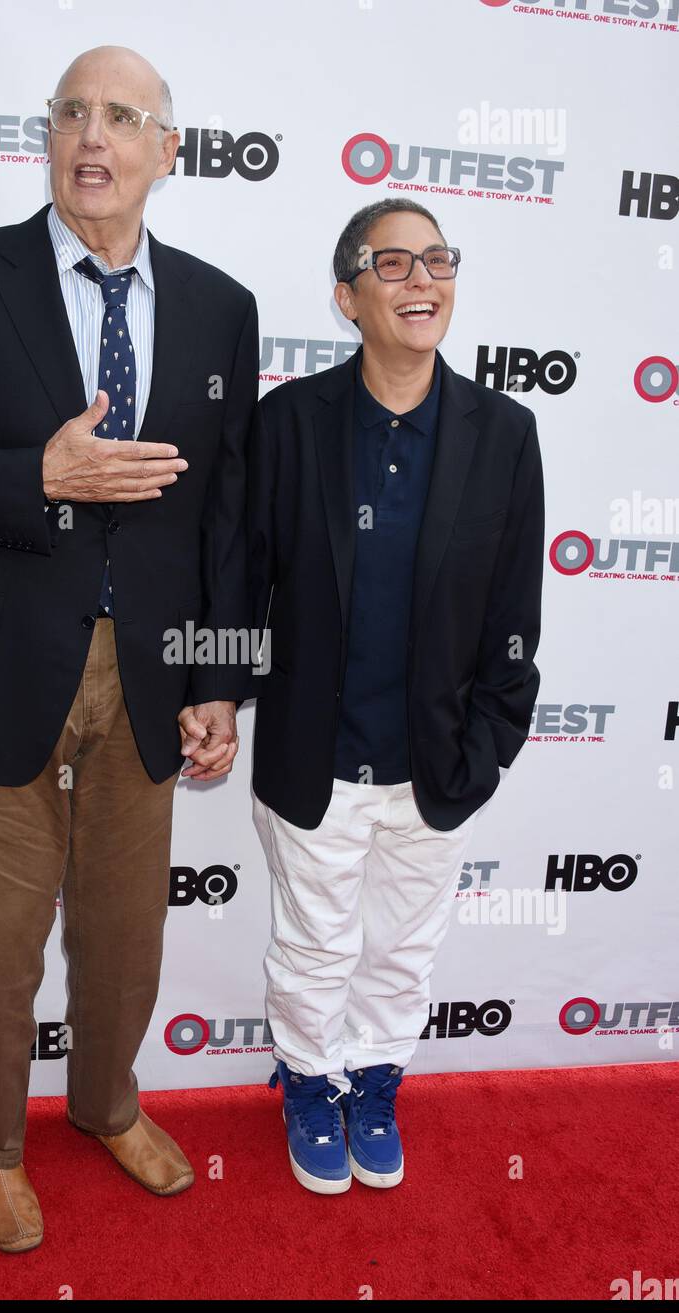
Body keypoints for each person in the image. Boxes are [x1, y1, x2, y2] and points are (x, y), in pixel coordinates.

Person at [0, 45, 257, 1251]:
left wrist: (222, 677)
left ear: (164, 152)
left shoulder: (221, 306)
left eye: (123, 116)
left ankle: (107, 1104)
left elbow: (228, 515)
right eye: (73, 111)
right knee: (1, 948)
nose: (95, 135)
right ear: (46, 136)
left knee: (128, 942)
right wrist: (35, 473)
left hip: (149, 681)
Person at [246, 197, 544, 1194]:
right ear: (346, 296)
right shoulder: (288, 420)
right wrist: (213, 693)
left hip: (437, 755)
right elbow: (240, 572)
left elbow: (513, 602)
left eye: (437, 260)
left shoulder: (503, 432)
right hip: (313, 748)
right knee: (313, 941)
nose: (422, 280)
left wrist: (491, 739)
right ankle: (305, 1081)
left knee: (403, 946)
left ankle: (372, 1081)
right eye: (393, 264)